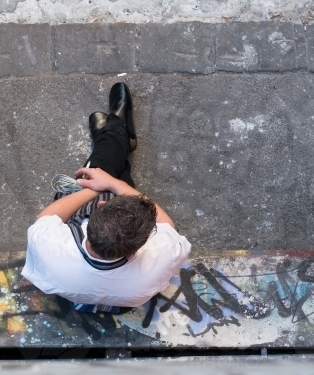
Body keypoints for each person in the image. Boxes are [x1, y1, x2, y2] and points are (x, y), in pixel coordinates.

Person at [22, 82, 191, 311]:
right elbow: (166, 224)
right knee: (109, 171)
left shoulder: (50, 246)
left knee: (96, 169)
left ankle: (113, 135)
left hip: (77, 293)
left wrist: (98, 186)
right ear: (133, 253)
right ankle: (115, 131)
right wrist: (112, 183)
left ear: (91, 217)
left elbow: (46, 216)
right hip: (125, 302)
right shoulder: (160, 256)